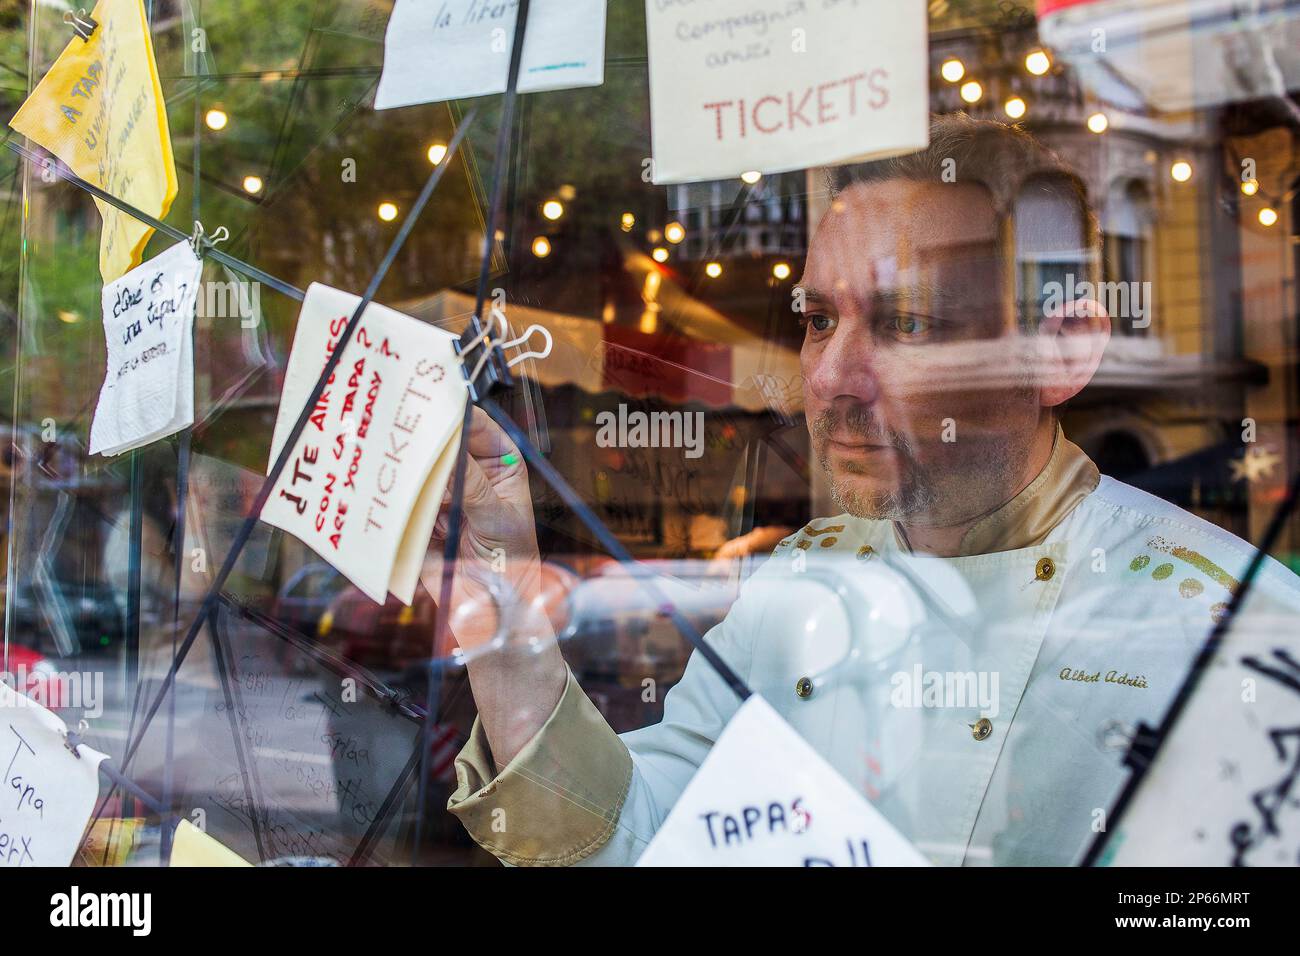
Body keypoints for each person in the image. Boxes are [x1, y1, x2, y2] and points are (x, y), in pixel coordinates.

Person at [423, 114, 1300, 866]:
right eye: (817, 321)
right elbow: (648, 835)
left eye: (907, 322)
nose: (832, 378)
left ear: (1062, 349)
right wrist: (502, 620)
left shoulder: (1235, 634)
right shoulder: (800, 582)